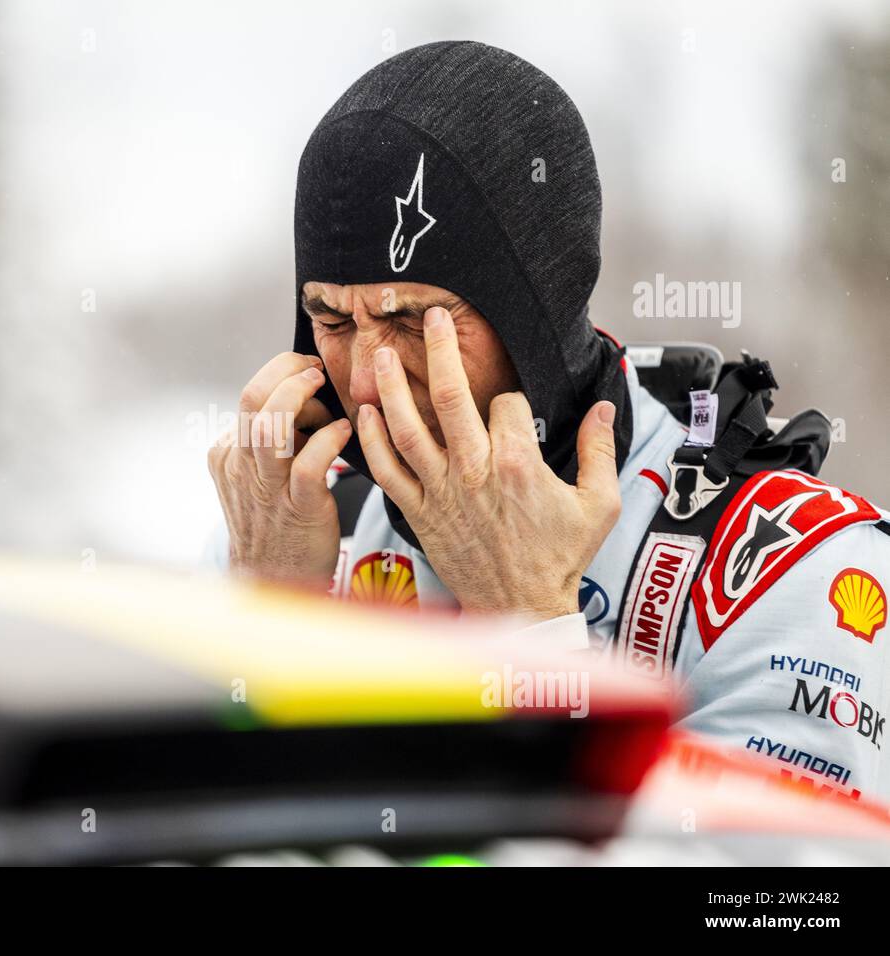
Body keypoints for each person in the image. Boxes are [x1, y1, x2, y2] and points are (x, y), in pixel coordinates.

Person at [207, 41, 890, 801]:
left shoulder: (792, 575)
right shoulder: (299, 517)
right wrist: (269, 627)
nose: (367, 380)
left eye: (414, 321)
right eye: (331, 320)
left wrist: (531, 632)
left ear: (533, 311)